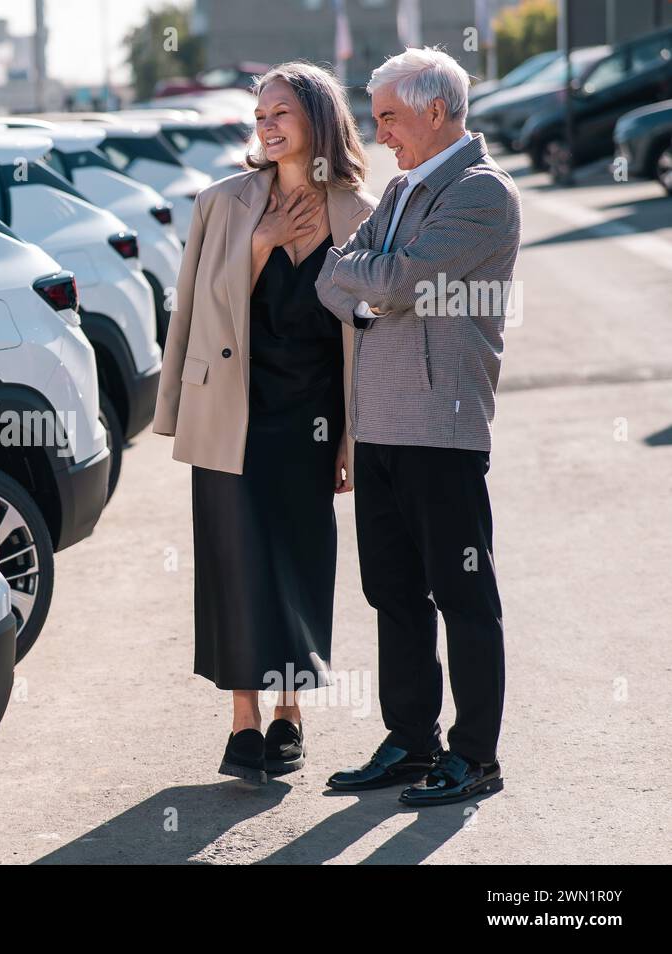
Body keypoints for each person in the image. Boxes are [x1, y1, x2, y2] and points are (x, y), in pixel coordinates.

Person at [152, 62, 376, 788]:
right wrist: (259, 243)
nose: (268, 124)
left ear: (318, 120)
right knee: (234, 562)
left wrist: (348, 440)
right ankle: (244, 720)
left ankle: (291, 713)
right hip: (231, 410)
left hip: (311, 418)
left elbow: (366, 340)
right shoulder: (223, 203)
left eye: (282, 112)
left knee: (299, 561)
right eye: (261, 114)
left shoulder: (358, 211)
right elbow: (195, 311)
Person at [315, 47, 521, 806]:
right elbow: (334, 281)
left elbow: (393, 280)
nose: (381, 137)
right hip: (380, 427)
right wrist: (373, 281)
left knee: (464, 597)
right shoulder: (400, 190)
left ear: (437, 112)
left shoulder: (482, 194)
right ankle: (411, 741)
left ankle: (475, 756)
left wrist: (370, 279)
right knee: (393, 593)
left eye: (389, 119)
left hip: (444, 426)